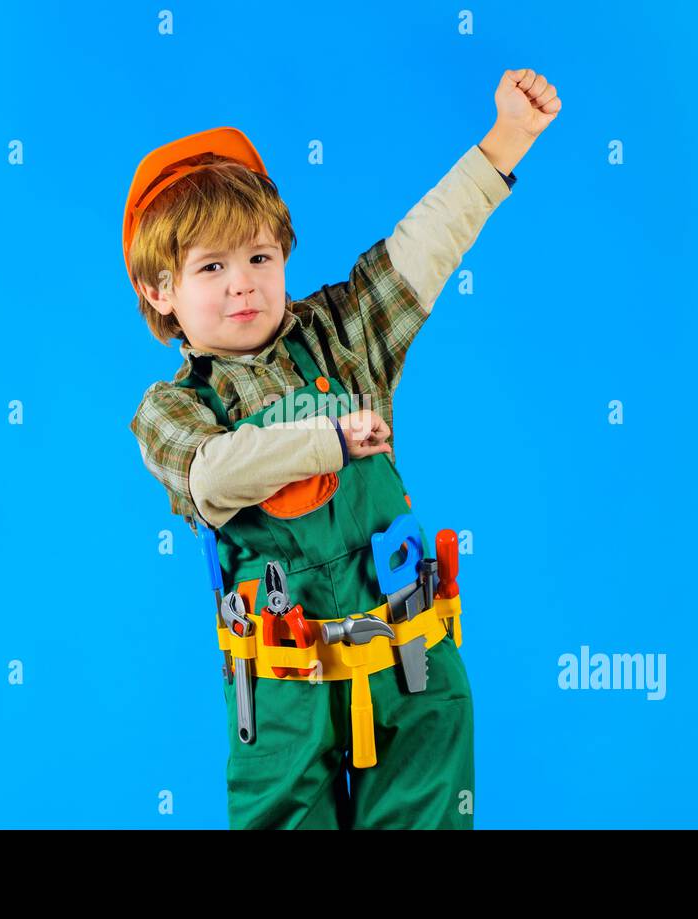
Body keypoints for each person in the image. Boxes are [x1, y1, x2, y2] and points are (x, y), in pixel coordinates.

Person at [125, 69, 562, 829]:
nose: (243, 285)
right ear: (161, 290)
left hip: (409, 661)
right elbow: (213, 476)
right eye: (212, 267)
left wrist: (506, 140)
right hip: (283, 692)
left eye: (260, 257)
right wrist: (325, 440)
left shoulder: (343, 335)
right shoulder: (173, 410)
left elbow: (424, 246)